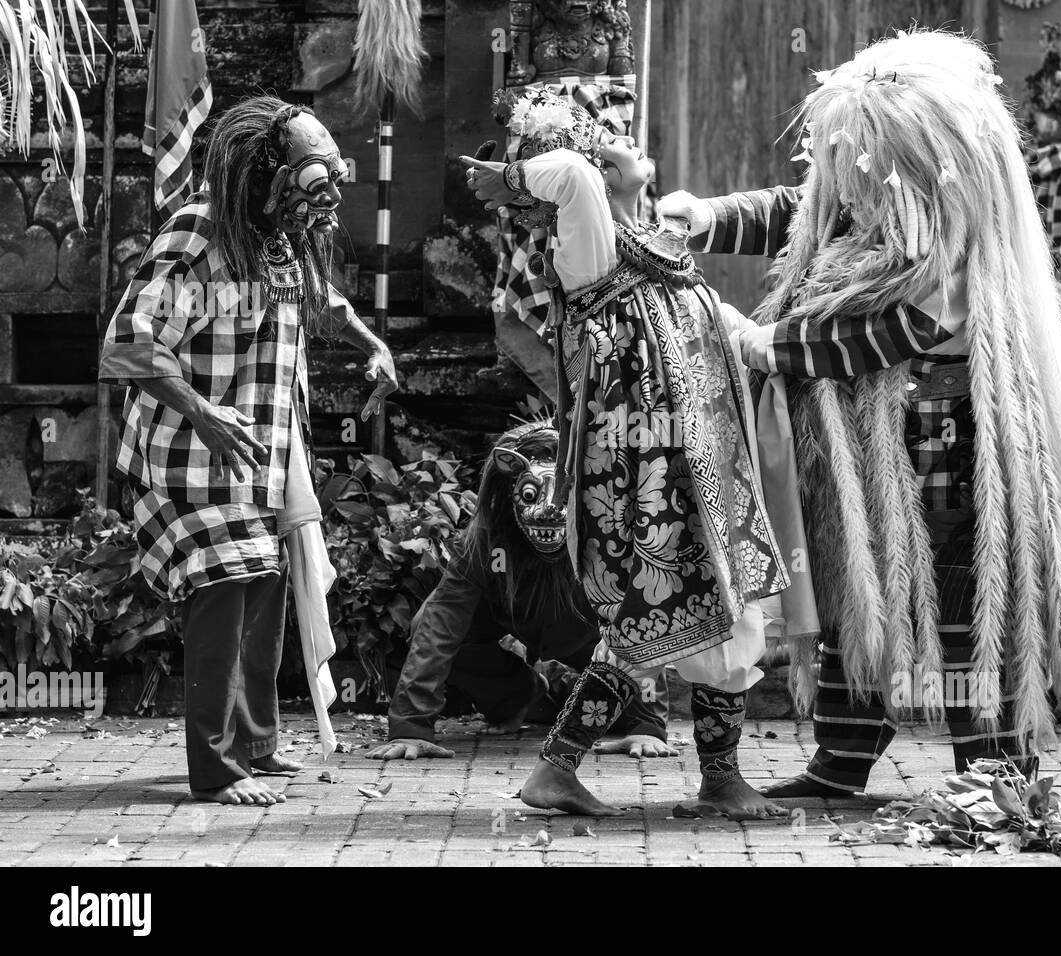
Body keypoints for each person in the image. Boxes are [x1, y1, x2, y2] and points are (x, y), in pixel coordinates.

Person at [661, 29, 1061, 798]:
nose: (845, 179)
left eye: (860, 161)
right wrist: (707, 217)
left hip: (948, 444)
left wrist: (770, 345)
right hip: (862, 451)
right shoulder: (858, 200)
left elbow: (892, 330)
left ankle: (996, 768)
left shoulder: (944, 247)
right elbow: (799, 212)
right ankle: (841, 760)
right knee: (855, 594)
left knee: (963, 603)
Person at [462, 88, 792, 819]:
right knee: (658, 614)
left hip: (698, 470)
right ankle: (655, 777)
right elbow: (569, 179)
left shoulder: (659, 252)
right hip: (639, 473)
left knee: (719, 617)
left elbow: (722, 328)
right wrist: (519, 176)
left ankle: (656, 776)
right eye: (611, 143)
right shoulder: (590, 245)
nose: (629, 144)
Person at [99, 97, 398, 807]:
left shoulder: (278, 237)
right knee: (227, 582)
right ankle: (213, 767)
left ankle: (254, 745)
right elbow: (127, 342)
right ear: (267, 172)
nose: (322, 199)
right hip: (185, 456)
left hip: (261, 456)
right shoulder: (198, 233)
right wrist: (202, 414)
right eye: (311, 180)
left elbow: (318, 302)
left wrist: (373, 344)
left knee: (265, 584)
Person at [364, 419, 674, 761]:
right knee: (427, 617)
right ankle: (520, 695)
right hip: (519, 619)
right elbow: (440, 623)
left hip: (593, 641)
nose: (548, 510)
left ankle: (582, 696)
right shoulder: (486, 541)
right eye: (530, 495)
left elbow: (639, 622)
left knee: (612, 707)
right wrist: (410, 727)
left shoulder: (606, 536)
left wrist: (646, 727)